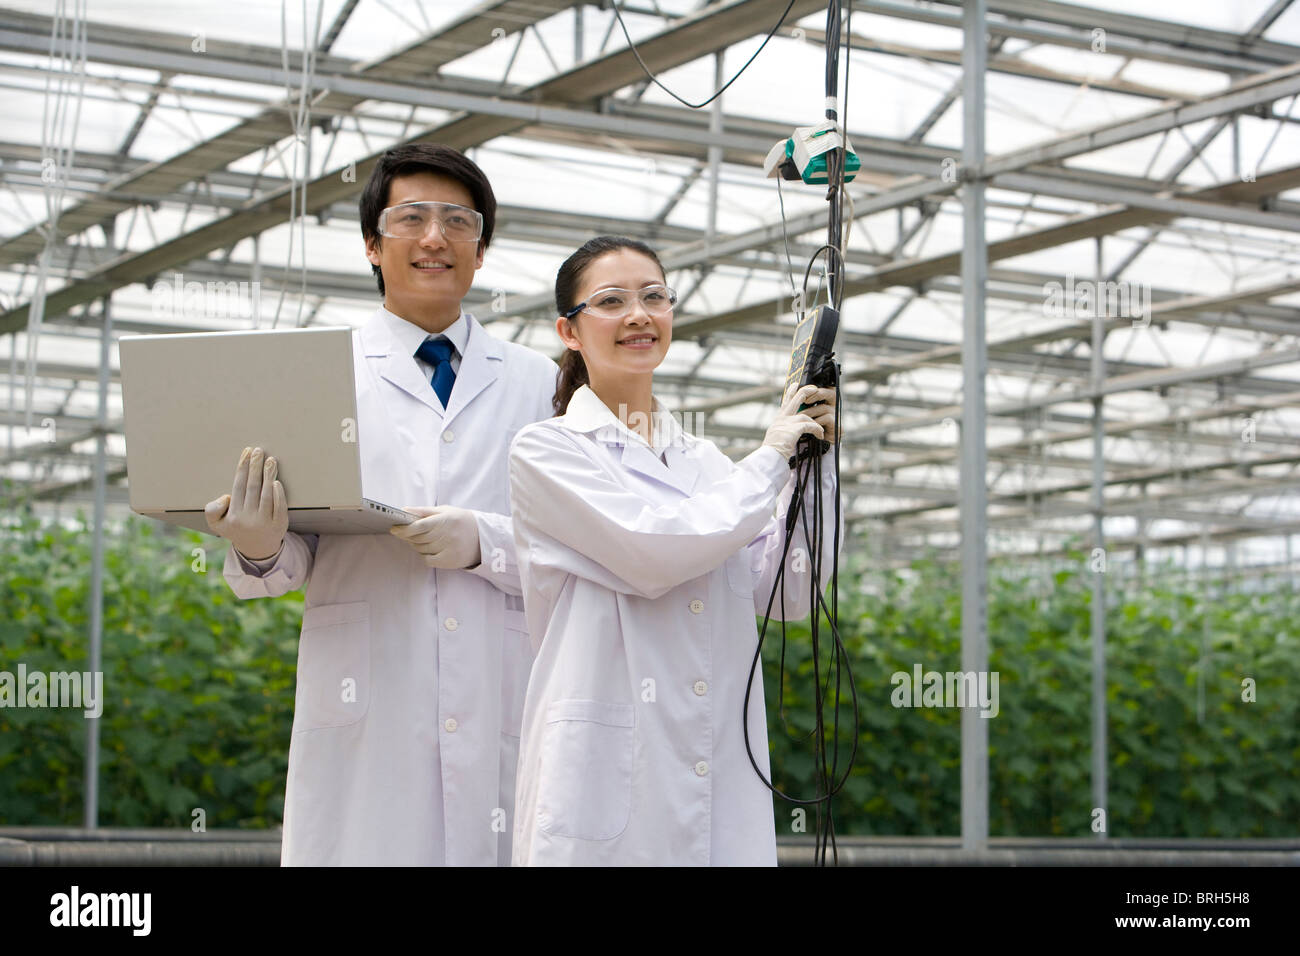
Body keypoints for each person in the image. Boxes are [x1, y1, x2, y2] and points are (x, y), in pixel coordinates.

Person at [203, 143, 558, 866]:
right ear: (372, 243)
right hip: (367, 695)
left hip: (504, 688)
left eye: (459, 221)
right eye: (412, 219)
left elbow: (577, 545)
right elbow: (288, 561)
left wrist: (485, 542)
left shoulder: (539, 383)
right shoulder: (315, 372)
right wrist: (258, 544)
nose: (436, 238)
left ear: (481, 251)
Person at [508, 235, 841, 866]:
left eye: (654, 297)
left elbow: (790, 591)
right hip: (605, 775)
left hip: (715, 760)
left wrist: (812, 467)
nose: (638, 314)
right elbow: (653, 551)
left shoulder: (707, 463)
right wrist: (770, 460)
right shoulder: (547, 451)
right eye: (610, 301)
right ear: (570, 332)